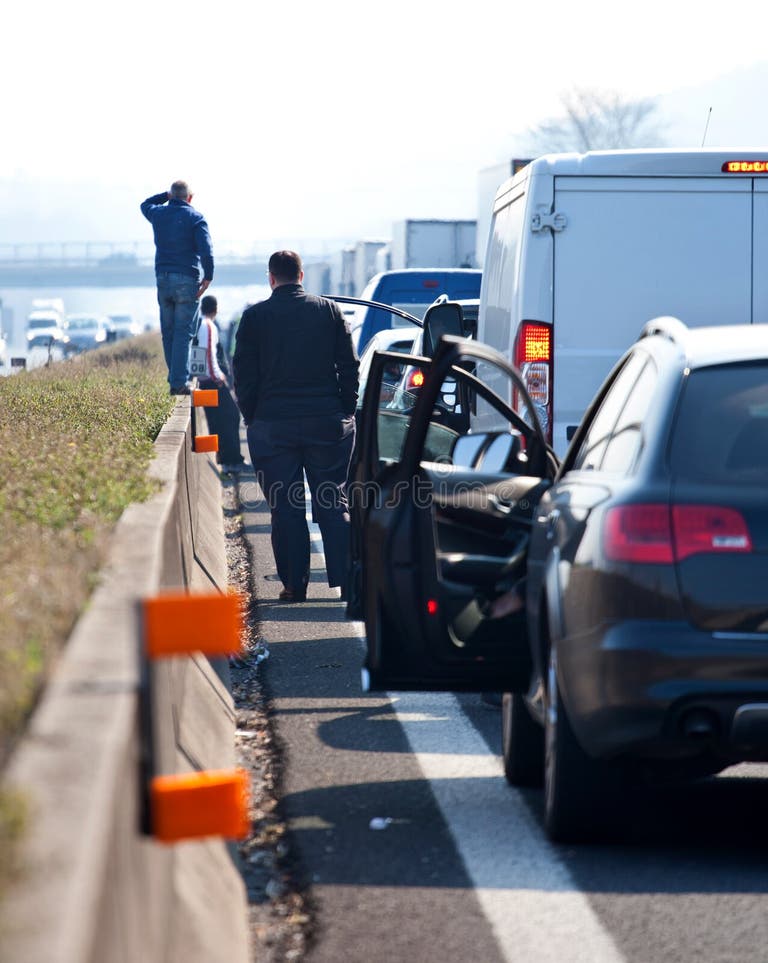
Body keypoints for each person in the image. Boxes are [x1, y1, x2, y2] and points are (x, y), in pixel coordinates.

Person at [233, 250, 359, 602]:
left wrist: (253, 416)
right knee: (333, 501)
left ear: (271, 278)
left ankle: (294, 584)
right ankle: (348, 583)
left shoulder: (255, 317)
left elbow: (243, 375)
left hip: (273, 428)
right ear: (301, 276)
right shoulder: (329, 311)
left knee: (285, 507)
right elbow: (349, 366)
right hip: (327, 425)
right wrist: (345, 410)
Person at [140, 181, 214, 394]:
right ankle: (178, 382)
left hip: (162, 278)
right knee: (183, 331)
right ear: (190, 198)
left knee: (169, 332)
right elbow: (206, 251)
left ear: (171, 196)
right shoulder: (196, 218)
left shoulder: (158, 214)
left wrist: (166, 195)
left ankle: (175, 379)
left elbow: (145, 204)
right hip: (187, 279)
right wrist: (208, 276)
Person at [196, 294, 246, 474]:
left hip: (204, 380)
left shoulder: (199, 324)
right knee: (231, 415)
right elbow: (209, 356)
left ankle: (225, 458)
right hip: (212, 381)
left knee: (216, 421)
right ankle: (232, 460)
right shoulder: (209, 326)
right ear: (215, 309)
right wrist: (219, 377)